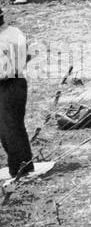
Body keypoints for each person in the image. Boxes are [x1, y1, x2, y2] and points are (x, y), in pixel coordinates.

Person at [0, 10, 52, 186]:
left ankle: (21, 169)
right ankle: (20, 166)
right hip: (17, 82)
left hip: (8, 85)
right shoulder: (15, 32)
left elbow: (3, 71)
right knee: (8, 128)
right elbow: (30, 54)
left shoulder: (4, 40)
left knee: (11, 128)